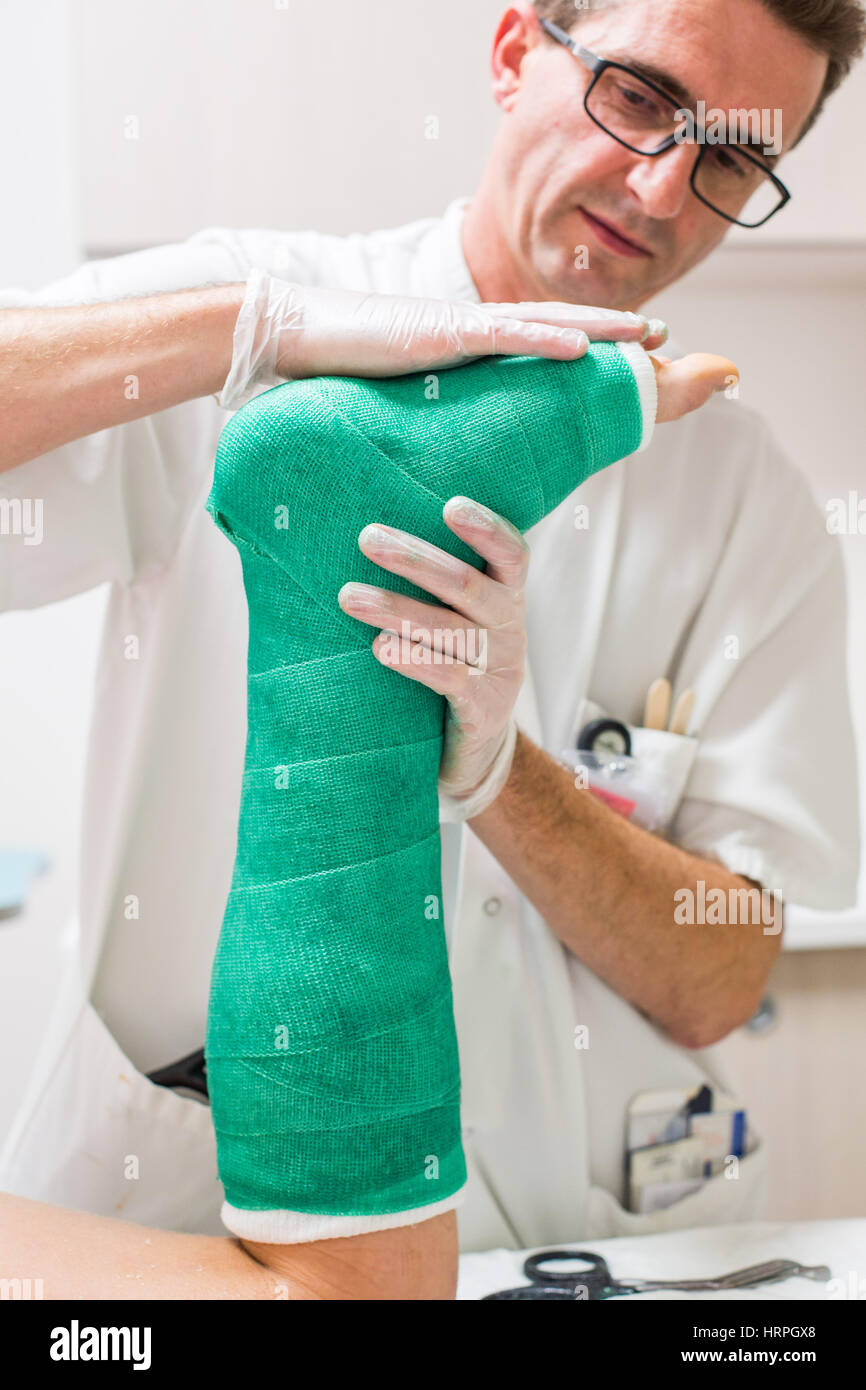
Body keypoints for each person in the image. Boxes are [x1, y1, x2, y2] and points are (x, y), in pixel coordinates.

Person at [0, 0, 861, 1300]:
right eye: (638, 98)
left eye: (731, 158)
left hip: (562, 1233)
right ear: (515, 52)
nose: (664, 186)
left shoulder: (743, 509)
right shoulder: (246, 321)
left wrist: (500, 778)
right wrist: (250, 329)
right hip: (187, 1218)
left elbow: (722, 971)